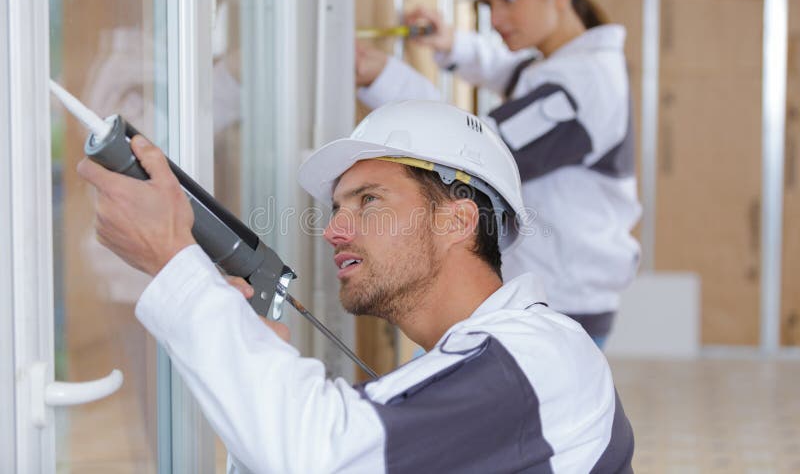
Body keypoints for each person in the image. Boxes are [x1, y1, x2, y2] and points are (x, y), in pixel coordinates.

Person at [77, 100, 634, 472]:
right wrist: (256, 362)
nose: (333, 230)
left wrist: (174, 260)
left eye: (369, 201)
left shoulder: (532, 358)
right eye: (337, 207)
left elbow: (321, 454)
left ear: (458, 221)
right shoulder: (489, 364)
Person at [356, 0, 641, 347]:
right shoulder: (565, 62)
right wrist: (452, 45)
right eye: (489, 4)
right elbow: (512, 71)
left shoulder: (583, 85)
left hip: (559, 307)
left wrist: (383, 77)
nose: (498, 17)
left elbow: (478, 149)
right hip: (561, 295)